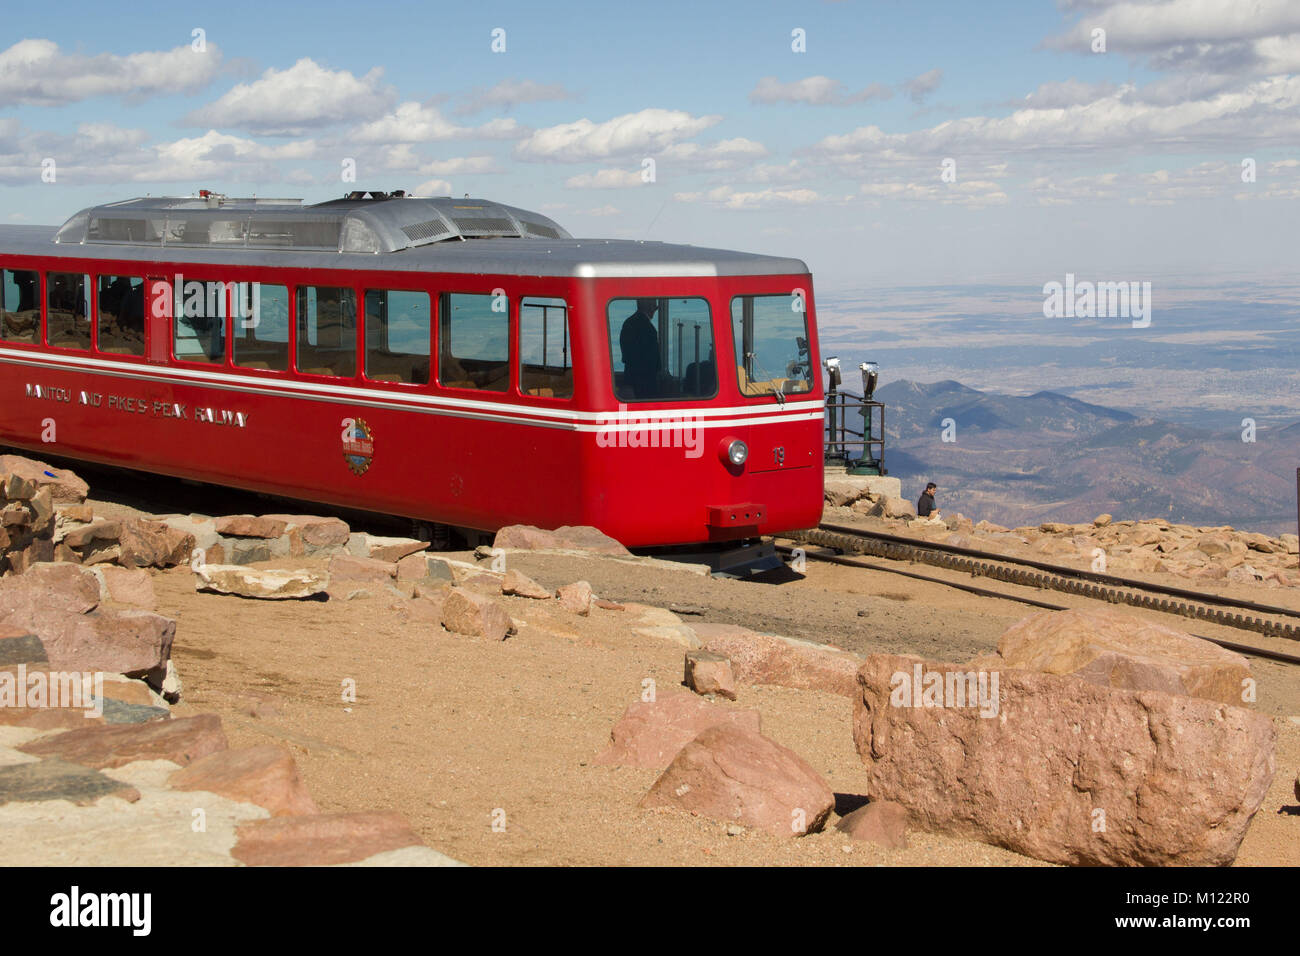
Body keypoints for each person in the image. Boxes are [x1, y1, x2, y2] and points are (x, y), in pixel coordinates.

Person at [620, 298, 660, 399]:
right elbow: (652, 360)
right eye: (655, 307)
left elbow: (628, 355)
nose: (654, 311)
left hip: (631, 379)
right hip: (644, 384)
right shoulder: (648, 328)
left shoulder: (629, 322)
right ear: (649, 307)